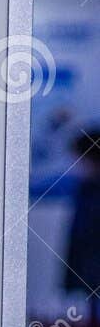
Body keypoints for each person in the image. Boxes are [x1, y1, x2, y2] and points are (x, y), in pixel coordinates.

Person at [64, 128, 100, 315]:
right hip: (88, 273)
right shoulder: (84, 188)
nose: (75, 165)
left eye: (79, 160)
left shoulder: (92, 193)